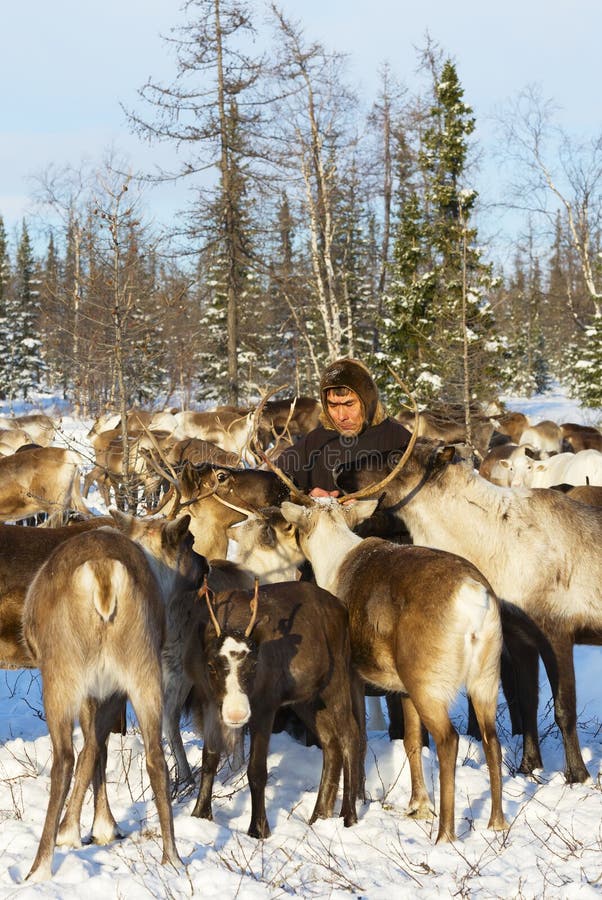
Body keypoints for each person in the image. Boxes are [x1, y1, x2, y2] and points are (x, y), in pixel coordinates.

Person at [277, 357, 412, 497]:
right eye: (333, 405)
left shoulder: (399, 439)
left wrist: (369, 504)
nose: (341, 416)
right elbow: (274, 481)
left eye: (349, 404)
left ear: (367, 400)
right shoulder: (314, 442)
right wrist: (304, 494)